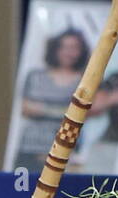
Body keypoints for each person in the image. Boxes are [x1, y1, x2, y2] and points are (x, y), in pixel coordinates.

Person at [13, 28, 90, 175]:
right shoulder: (35, 76)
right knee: (23, 190)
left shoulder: (85, 81)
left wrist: (42, 109)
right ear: (56, 49)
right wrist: (64, 111)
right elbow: (26, 108)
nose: (69, 52)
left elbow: (86, 112)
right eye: (64, 47)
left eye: (74, 48)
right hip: (30, 148)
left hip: (66, 149)